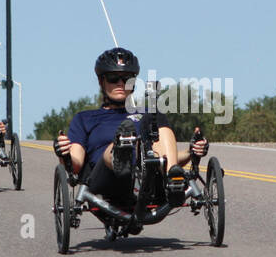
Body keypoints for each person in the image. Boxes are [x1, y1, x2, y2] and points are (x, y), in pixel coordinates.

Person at [53, 47, 207, 209]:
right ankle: (121, 153)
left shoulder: (148, 114)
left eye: (126, 79)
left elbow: (167, 156)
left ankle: (172, 182)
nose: (120, 83)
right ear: (101, 81)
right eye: (113, 78)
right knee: (116, 144)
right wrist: (64, 154)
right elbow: (75, 163)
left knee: (157, 122)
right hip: (106, 180)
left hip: (149, 177)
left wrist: (191, 152)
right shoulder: (85, 119)